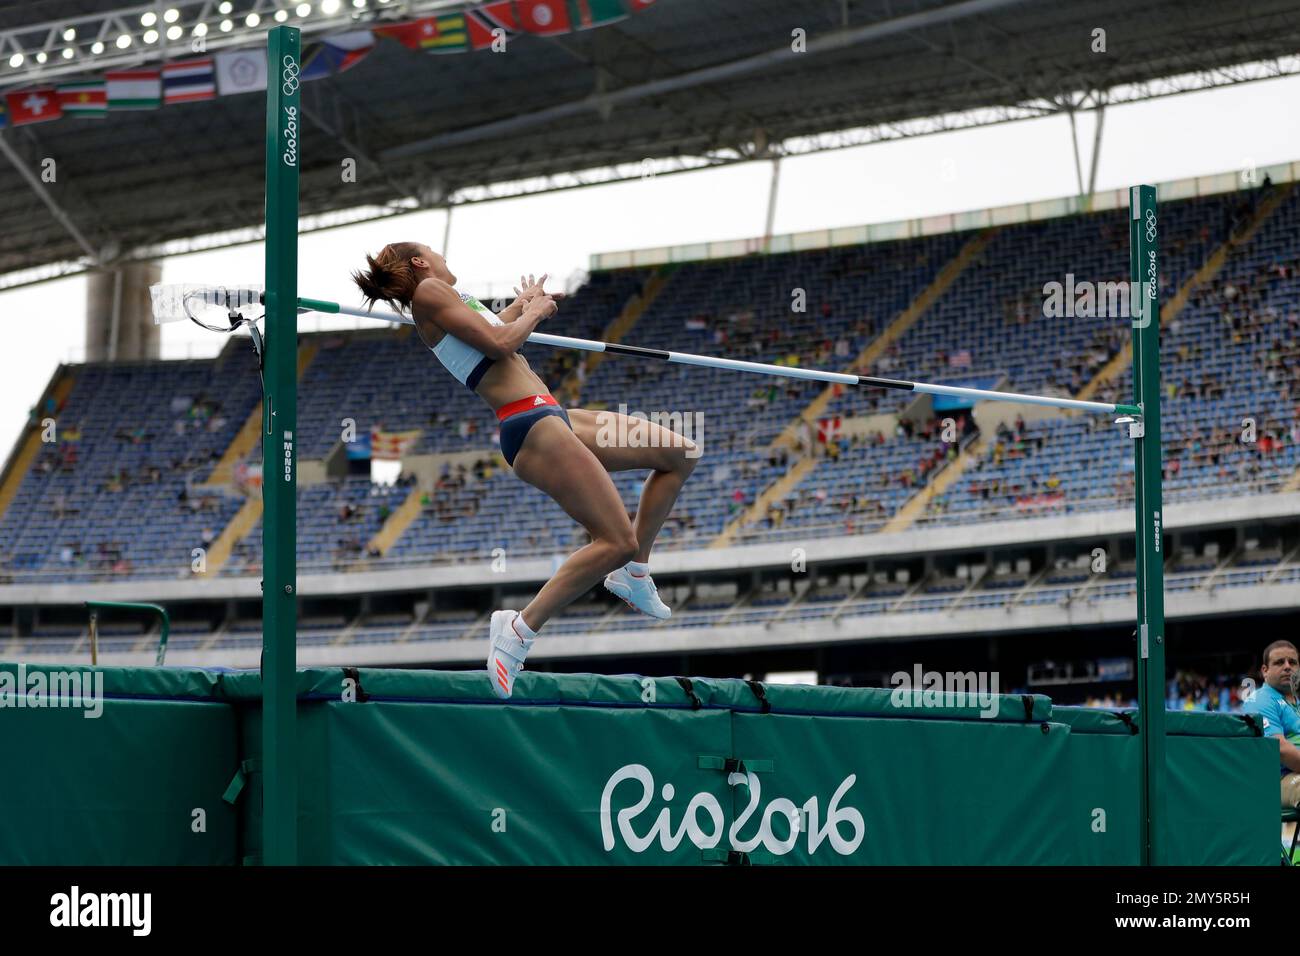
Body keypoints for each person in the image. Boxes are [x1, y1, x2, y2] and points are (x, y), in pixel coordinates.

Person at [353, 243, 700, 699]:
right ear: (420, 263)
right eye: (434, 252)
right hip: (531, 424)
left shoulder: (445, 298)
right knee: (615, 539)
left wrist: (524, 304)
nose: (442, 257)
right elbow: (501, 343)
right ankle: (518, 628)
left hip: (555, 415)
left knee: (680, 453)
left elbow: (493, 328)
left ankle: (633, 573)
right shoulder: (430, 293)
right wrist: (533, 314)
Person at [1243, 640, 1300, 812]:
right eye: (1279, 662)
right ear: (1264, 671)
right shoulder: (1261, 700)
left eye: (1293, 662)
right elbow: (1279, 749)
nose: (1287, 666)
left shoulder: (1295, 702)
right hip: (1276, 782)